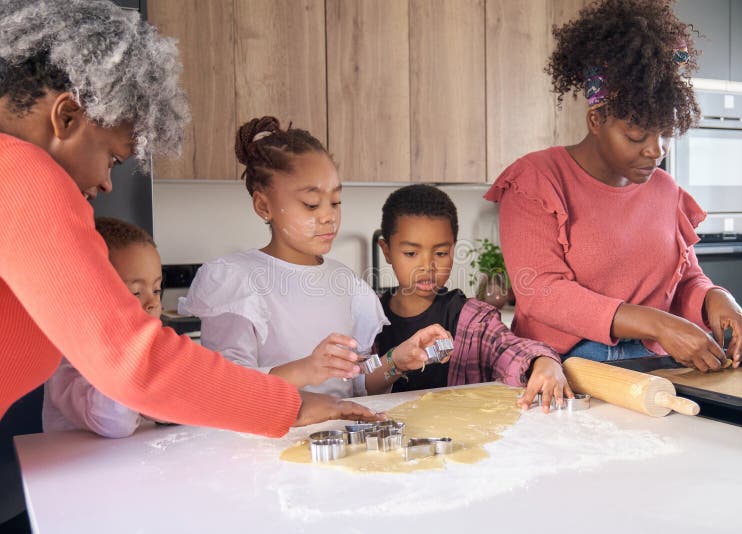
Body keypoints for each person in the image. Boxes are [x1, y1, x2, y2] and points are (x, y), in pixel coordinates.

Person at [0, 0, 382, 436]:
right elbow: (134, 364)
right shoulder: (23, 174)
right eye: (113, 158)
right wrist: (287, 405)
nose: (107, 183)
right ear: (66, 117)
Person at [484, 0, 742, 373]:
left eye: (666, 133)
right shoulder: (538, 180)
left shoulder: (664, 190)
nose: (655, 150)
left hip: (651, 366)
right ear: (596, 119)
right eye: (637, 135)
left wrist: (715, 298)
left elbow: (685, 275)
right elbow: (542, 293)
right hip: (558, 370)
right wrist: (658, 323)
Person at [179, 117, 448, 398]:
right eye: (311, 204)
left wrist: (397, 361)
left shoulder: (344, 282)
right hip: (268, 442)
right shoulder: (235, 279)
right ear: (263, 206)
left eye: (335, 202)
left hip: (336, 437)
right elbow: (227, 389)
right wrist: (307, 369)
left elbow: (355, 383)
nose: (328, 216)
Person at [373, 184, 572, 411]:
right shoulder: (368, 318)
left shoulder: (475, 321)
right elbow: (359, 380)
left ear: (453, 250)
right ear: (386, 250)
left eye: (440, 253)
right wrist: (394, 361)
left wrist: (543, 362)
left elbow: (510, 350)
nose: (427, 267)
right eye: (411, 253)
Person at [43, 218, 168, 438]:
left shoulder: (143, 346)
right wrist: (136, 345)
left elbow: (170, 410)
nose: (153, 303)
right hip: (77, 469)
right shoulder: (70, 358)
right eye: (135, 293)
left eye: (156, 290)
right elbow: (115, 422)